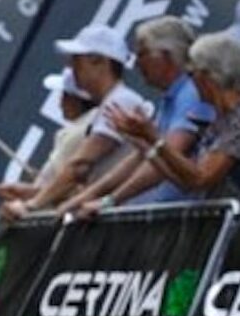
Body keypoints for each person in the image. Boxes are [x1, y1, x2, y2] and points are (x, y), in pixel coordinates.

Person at [0, 24, 148, 221]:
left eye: (77, 60)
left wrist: (31, 205)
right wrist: (32, 194)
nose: (71, 67)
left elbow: (79, 166)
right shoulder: (113, 102)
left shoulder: (121, 101)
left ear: (99, 61)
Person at [64, 16, 204, 216]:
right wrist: (90, 197)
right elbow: (140, 157)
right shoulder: (170, 99)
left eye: (143, 54)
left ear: (166, 56)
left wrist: (108, 201)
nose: (137, 63)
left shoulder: (191, 94)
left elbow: (166, 158)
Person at [109, 32, 240, 199]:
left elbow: (201, 178)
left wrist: (154, 138)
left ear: (206, 76)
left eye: (191, 74)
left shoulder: (236, 120)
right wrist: (147, 143)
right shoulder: (220, 121)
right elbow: (187, 182)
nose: (190, 82)